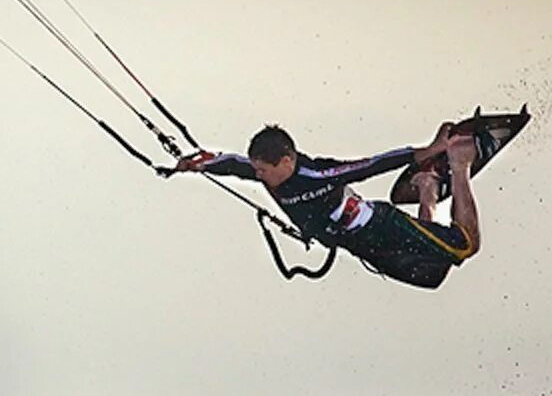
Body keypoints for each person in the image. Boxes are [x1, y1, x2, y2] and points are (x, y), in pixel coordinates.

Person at [173, 123, 482, 289]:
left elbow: (373, 165)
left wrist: (433, 148)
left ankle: (459, 163)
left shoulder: (317, 174)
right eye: (257, 170)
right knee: (435, 275)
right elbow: (230, 163)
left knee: (464, 246)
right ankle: (427, 187)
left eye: (264, 170)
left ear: (286, 161)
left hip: (380, 225)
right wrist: (198, 164)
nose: (259, 176)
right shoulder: (264, 172)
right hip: (360, 245)